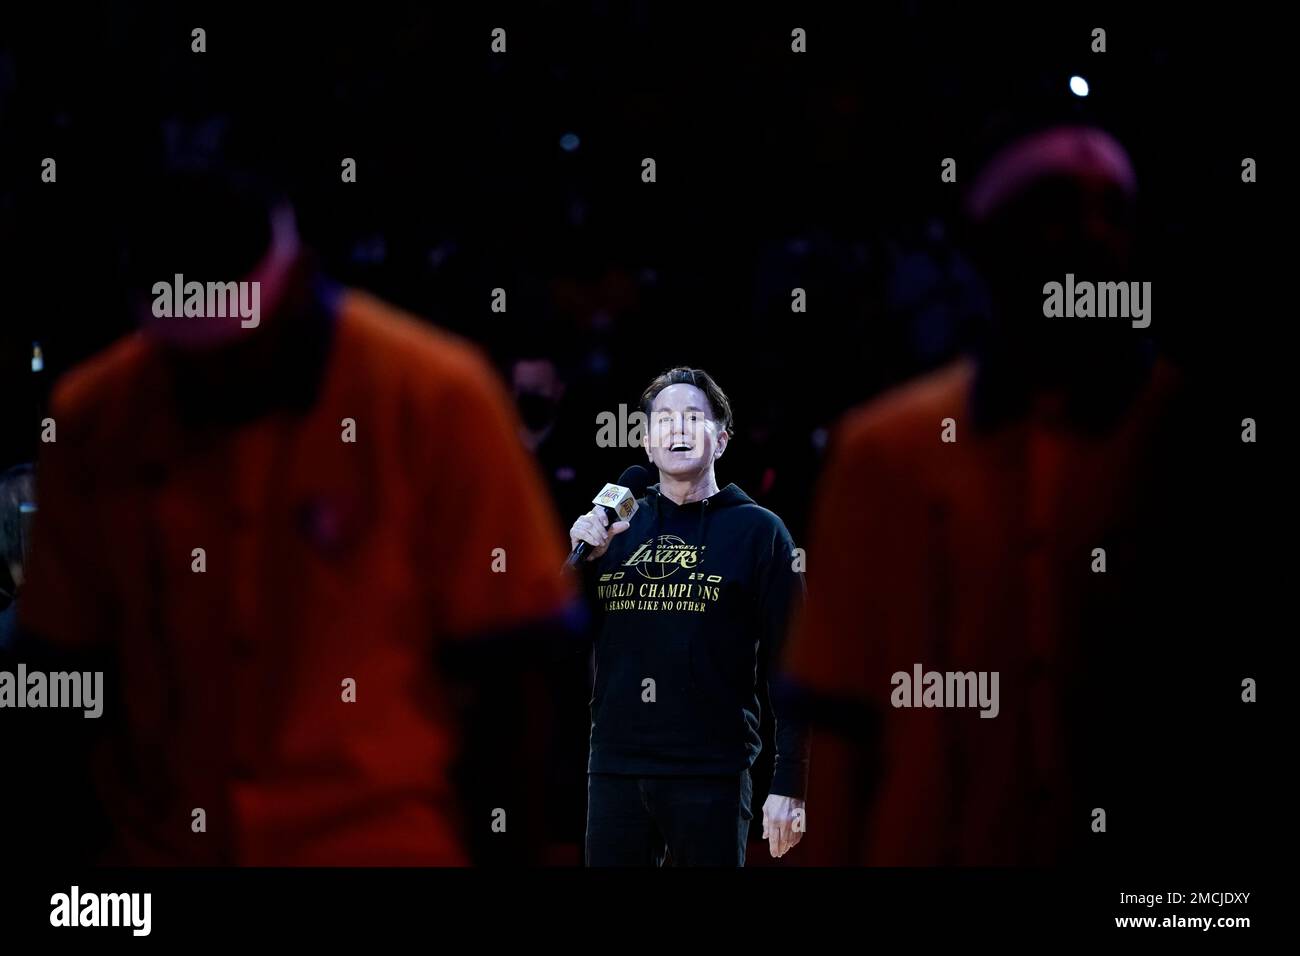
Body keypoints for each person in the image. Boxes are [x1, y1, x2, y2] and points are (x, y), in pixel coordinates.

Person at [18, 143, 576, 865]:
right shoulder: (94, 414)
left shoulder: (436, 396)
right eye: (186, 365)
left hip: (380, 845)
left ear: (289, 288)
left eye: (235, 354)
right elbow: (60, 672)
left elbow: (518, 672)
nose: (213, 383)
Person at [781, 125, 1249, 865]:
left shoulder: (1199, 446)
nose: (1089, 237)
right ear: (990, 245)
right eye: (1056, 211)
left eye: (1111, 213)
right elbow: (837, 719)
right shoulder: (881, 453)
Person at [570, 367, 809, 866]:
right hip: (616, 768)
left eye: (693, 417)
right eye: (664, 419)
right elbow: (557, 639)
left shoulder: (758, 532)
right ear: (647, 443)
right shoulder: (613, 530)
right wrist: (579, 563)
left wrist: (791, 782)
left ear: (720, 440)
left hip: (712, 774)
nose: (677, 428)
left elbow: (796, 664)